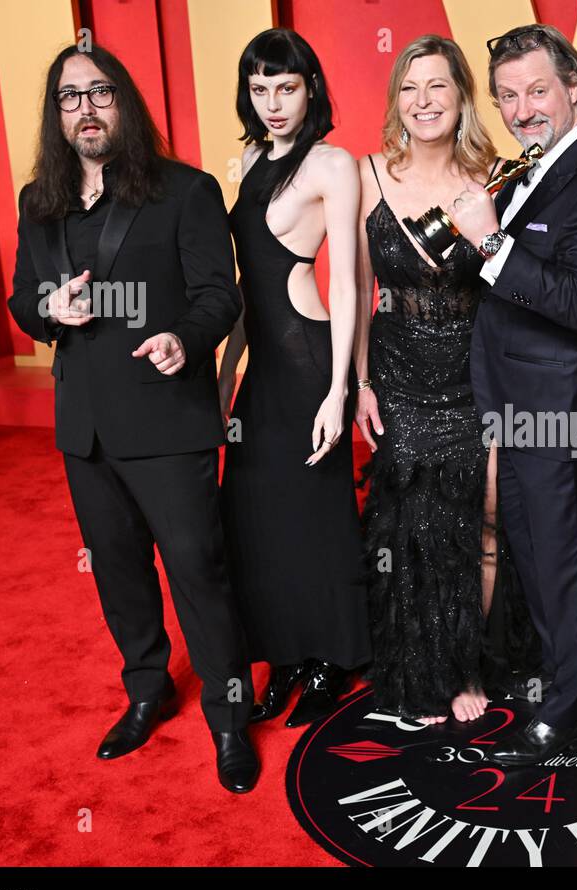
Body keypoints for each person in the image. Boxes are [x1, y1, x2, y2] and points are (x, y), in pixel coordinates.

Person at [7, 45, 259, 793]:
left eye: (100, 93)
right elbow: (22, 299)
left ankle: (229, 716)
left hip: (167, 419)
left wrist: (184, 337)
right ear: (57, 116)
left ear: (125, 103)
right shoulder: (38, 201)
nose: (85, 108)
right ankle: (147, 689)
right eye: (69, 98)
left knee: (198, 570)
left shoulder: (185, 191)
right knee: (118, 571)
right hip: (84, 426)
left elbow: (222, 294)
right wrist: (49, 310)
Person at [447, 24, 577, 765]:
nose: (522, 108)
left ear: (572, 88)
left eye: (536, 91)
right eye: (506, 96)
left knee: (565, 563)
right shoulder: (537, 164)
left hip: (565, 413)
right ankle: (562, 678)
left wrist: (491, 243)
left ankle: (570, 708)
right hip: (521, 406)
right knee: (533, 553)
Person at [353, 35, 538, 724]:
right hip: (399, 374)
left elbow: (514, 283)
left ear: (461, 97)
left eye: (438, 86)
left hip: (478, 371)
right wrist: (360, 383)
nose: (424, 101)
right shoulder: (367, 175)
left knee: (484, 520)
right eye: (410, 87)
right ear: (396, 100)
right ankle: (424, 669)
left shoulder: (497, 175)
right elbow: (358, 289)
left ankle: (471, 664)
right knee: (413, 528)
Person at [217, 28, 370, 728]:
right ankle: (281, 655)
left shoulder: (333, 165)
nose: (273, 102)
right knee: (255, 512)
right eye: (260, 89)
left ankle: (327, 662)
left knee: (315, 510)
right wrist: (225, 377)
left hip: (311, 362)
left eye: (286, 87)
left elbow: (348, 284)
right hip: (263, 367)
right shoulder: (251, 158)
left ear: (311, 87)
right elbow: (248, 285)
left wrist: (340, 390)